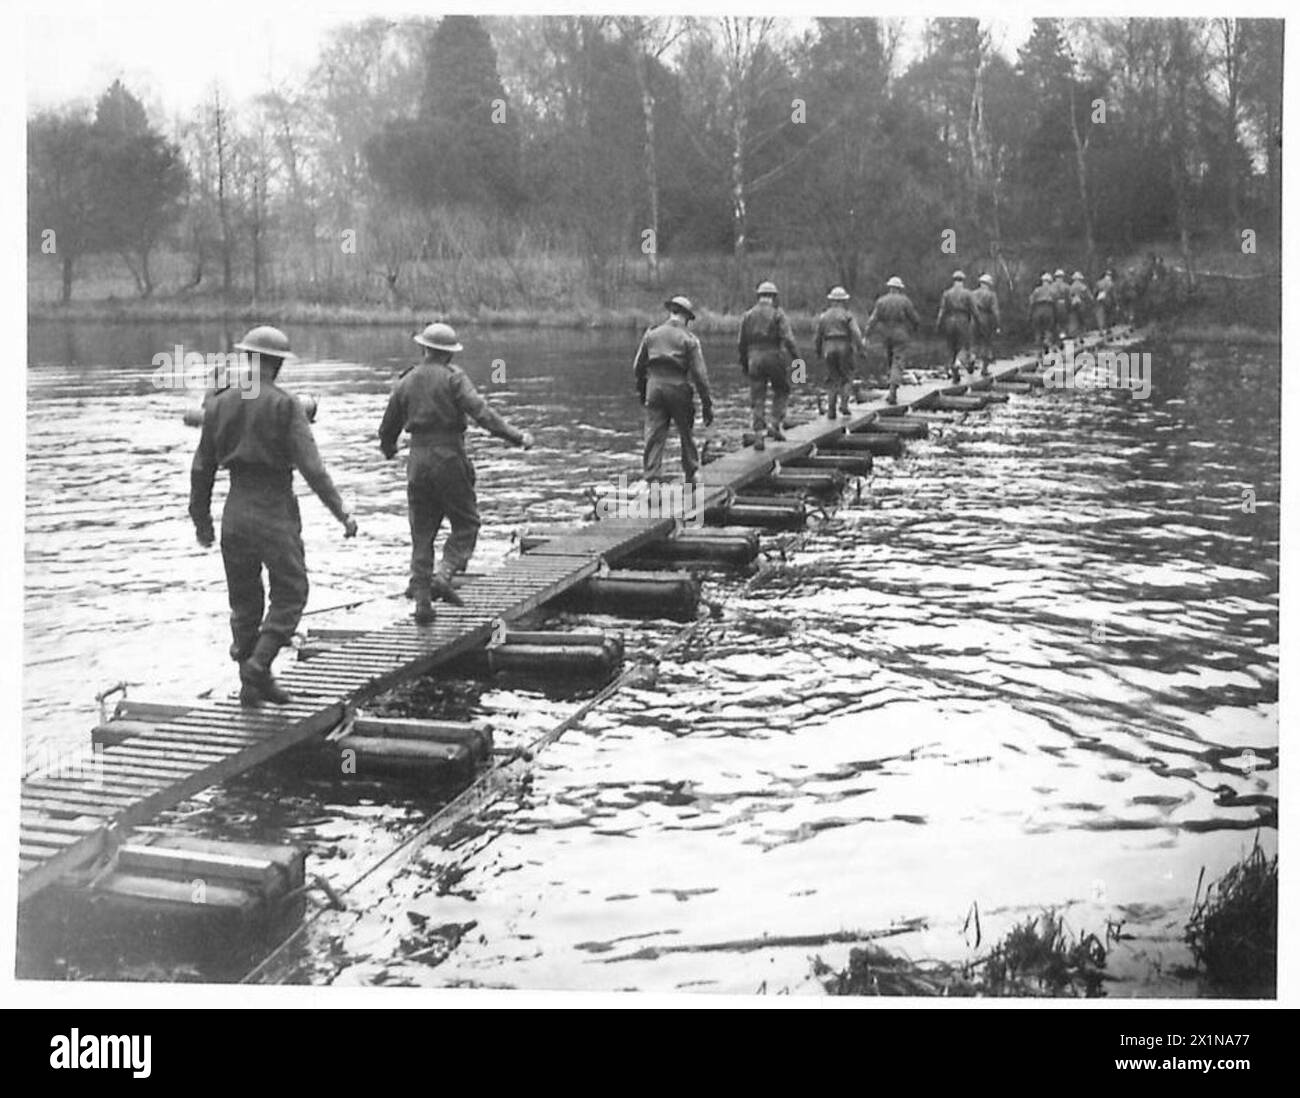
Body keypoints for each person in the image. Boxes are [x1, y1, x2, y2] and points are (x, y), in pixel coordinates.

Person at [190, 325, 357, 707]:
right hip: (274, 510)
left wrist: (202, 522)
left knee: (245, 601)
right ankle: (258, 667)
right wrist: (342, 513)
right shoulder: (286, 405)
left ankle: (251, 685)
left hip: (235, 510)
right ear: (278, 363)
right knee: (292, 590)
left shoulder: (218, 403)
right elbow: (313, 469)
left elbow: (202, 469)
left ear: (247, 358)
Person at [379, 322, 533, 626]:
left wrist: (388, 449)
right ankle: (444, 575)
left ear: (424, 348)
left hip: (417, 460)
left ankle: (423, 602)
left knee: (422, 533)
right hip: (449, 457)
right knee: (466, 523)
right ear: (449, 355)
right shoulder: (454, 378)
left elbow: (387, 428)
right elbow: (483, 414)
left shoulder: (405, 381)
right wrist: (517, 437)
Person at [632, 295, 713, 481]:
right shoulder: (689, 339)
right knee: (685, 432)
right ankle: (691, 474)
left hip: (654, 388)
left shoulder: (651, 334)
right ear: (686, 317)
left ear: (671, 312)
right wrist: (707, 405)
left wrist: (643, 391)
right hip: (678, 388)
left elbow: (638, 367)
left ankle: (652, 481)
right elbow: (700, 377)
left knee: (654, 435)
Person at [738, 280, 801, 450]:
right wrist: (797, 359)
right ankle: (775, 423)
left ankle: (759, 434)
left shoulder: (748, 315)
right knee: (782, 389)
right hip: (774, 356)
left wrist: (745, 364)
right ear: (774, 297)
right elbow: (788, 339)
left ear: (759, 296)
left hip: (753, 359)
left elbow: (741, 343)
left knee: (757, 397)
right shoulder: (778, 314)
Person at [863, 276, 921, 406]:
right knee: (898, 362)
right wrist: (915, 328)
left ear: (889, 288)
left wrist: (866, 334)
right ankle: (893, 391)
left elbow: (873, 319)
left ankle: (891, 387)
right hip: (901, 335)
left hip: (886, 335)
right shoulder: (905, 301)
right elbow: (914, 318)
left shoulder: (881, 301)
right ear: (900, 288)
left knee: (890, 361)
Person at [814, 286, 867, 418]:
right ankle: (844, 404)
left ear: (831, 300)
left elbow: (818, 336)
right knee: (847, 376)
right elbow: (856, 333)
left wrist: (818, 351)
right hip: (844, 347)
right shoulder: (847, 315)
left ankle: (831, 410)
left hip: (828, 347)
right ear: (843, 301)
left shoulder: (824, 316)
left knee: (832, 379)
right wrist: (861, 349)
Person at [935, 270, 975, 383]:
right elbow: (974, 310)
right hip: (963, 321)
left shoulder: (947, 293)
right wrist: (979, 323)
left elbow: (942, 310)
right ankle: (958, 363)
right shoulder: (968, 293)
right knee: (963, 345)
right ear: (963, 281)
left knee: (951, 347)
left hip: (949, 321)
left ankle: (954, 373)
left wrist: (938, 324)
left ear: (953, 280)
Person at [970, 273, 1001, 376]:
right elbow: (995, 312)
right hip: (986, 320)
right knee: (986, 343)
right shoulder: (991, 295)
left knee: (974, 342)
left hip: (974, 320)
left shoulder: (972, 293)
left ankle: (972, 359)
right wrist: (997, 325)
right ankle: (984, 369)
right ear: (989, 284)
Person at [1028, 272, 1057, 363]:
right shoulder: (1053, 290)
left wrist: (1030, 313)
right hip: (1048, 309)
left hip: (1038, 310)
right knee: (1048, 329)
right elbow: (1056, 302)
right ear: (1050, 281)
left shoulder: (1037, 290)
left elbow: (1031, 301)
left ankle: (1039, 353)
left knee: (1038, 331)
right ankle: (1047, 341)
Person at [1067, 270, 1094, 337]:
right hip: (1081, 302)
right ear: (1080, 278)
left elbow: (1069, 296)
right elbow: (1088, 295)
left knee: (1073, 316)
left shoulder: (1071, 286)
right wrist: (1091, 299)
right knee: (1084, 316)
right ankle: (1084, 331)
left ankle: (1073, 331)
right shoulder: (1082, 286)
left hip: (1073, 304)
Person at [1050, 268, 1070, 345]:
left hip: (1054, 305)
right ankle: (1062, 336)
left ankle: (1056, 338)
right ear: (1062, 277)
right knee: (1064, 322)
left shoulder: (1052, 286)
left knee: (1055, 322)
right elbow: (1069, 298)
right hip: (1063, 305)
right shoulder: (1066, 286)